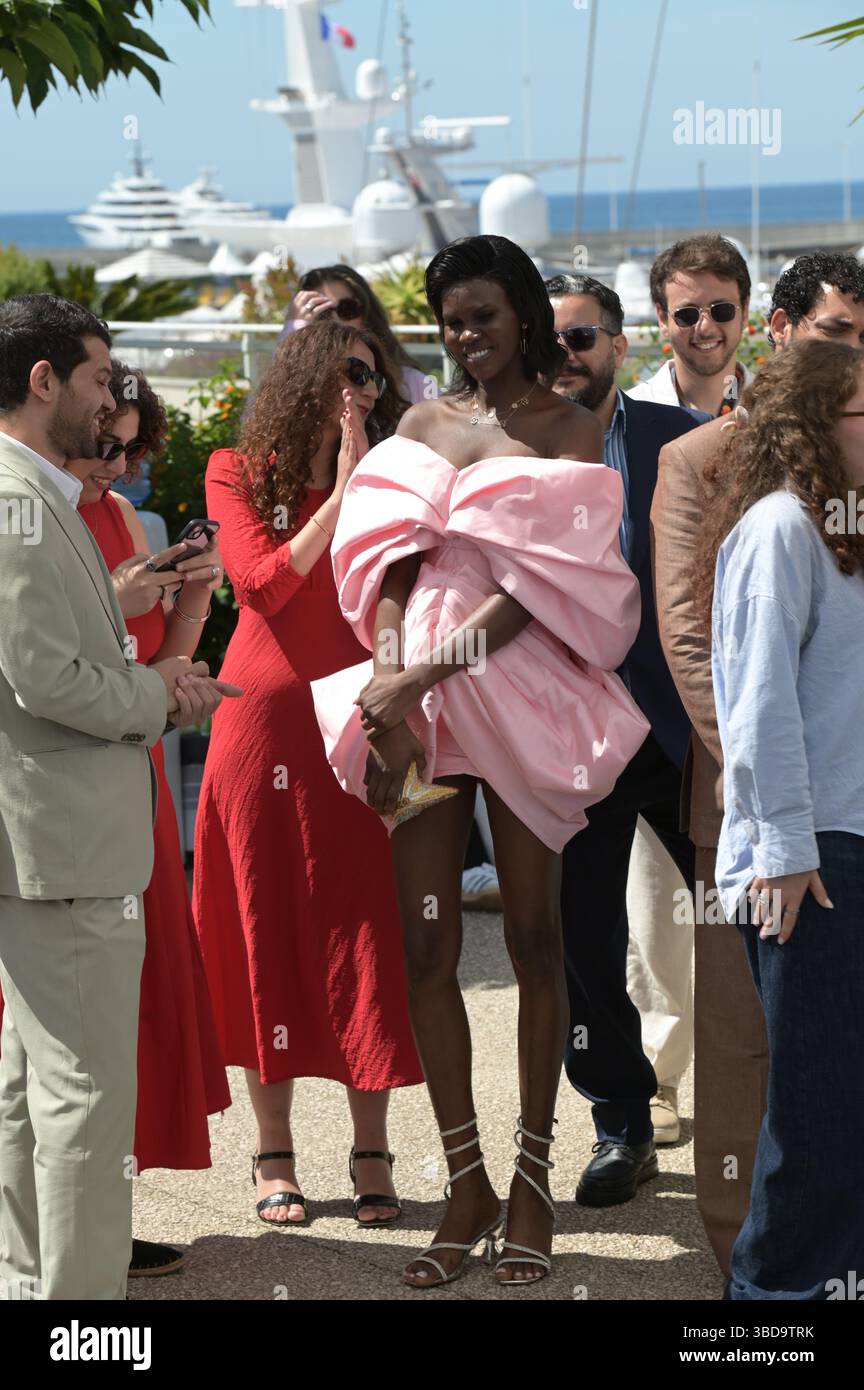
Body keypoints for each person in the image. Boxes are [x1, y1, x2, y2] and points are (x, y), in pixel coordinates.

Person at [311, 235, 649, 1286]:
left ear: (525, 321)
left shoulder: (570, 427)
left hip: (525, 696)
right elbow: (391, 567)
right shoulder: (419, 423)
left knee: (543, 941)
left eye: (484, 318)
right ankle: (465, 1182)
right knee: (426, 949)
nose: (466, 337)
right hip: (421, 706)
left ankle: (535, 1179)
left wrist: (421, 678)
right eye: (452, 321)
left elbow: (538, 589)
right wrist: (388, 688)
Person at [0, 294, 237, 1301]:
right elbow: (42, 678)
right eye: (99, 377)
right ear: (44, 379)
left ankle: (30, 1291)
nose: (112, 401)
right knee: (85, 1103)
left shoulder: (34, 493)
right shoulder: (20, 500)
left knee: (30, 1091)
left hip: (51, 840)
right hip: (64, 843)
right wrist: (163, 692)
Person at [650, 249, 864, 1276]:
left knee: (839, 1104)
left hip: (844, 829)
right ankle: (759, 1291)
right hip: (796, 844)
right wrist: (776, 837)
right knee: (790, 1095)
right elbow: (739, 681)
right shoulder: (763, 516)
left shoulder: (848, 527)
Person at [193, 319, 424, 1233]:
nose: (358, 390)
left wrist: (372, 474)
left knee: (365, 925)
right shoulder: (235, 470)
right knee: (265, 923)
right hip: (258, 733)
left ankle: (373, 1151)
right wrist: (345, 486)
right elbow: (262, 581)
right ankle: (273, 1150)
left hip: (358, 729)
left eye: (370, 374)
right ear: (302, 379)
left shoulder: (397, 467)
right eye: (343, 373)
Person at [66, 358, 232, 1278]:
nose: (118, 465)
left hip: (128, 784)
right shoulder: (30, 510)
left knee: (125, 1014)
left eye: (132, 452)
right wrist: (119, 604)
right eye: (108, 445)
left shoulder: (123, 516)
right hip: (55, 794)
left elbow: (162, 666)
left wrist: (195, 600)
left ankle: (102, 1219)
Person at [545, 273, 698, 1183]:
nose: (567, 356)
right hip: (572, 736)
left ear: (619, 346)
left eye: (583, 338)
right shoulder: (513, 451)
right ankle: (621, 1121)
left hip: (682, 732)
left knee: (737, 921)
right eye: (553, 340)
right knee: (586, 934)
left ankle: (752, 1115)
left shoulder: (678, 438)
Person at [628, 234, 751, 418]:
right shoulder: (630, 418)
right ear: (662, 318)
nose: (705, 328)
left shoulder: (780, 411)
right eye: (687, 315)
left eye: (722, 310)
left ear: (745, 312)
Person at [283, 263, 438, 406]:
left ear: (367, 316)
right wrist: (293, 330)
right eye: (322, 313)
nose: (336, 322)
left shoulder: (413, 383)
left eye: (347, 308)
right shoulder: (302, 386)